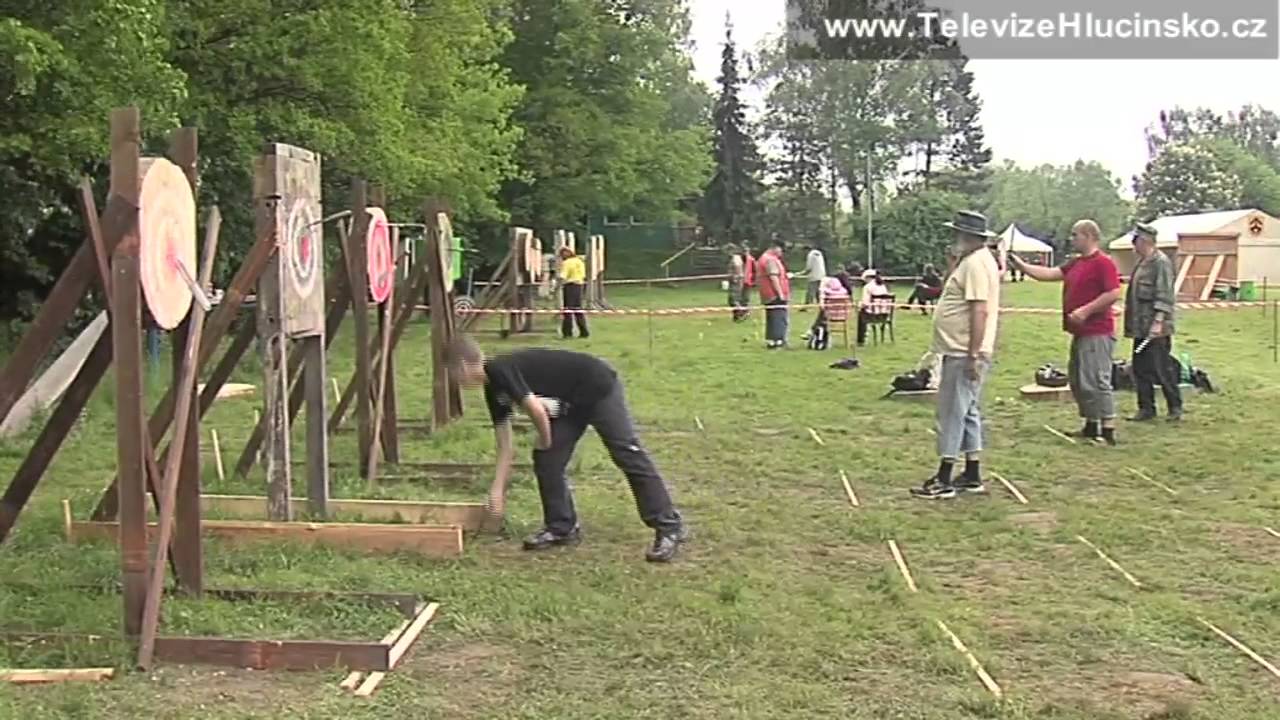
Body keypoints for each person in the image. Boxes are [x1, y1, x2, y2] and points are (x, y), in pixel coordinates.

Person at [445, 336, 688, 562]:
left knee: (625, 451)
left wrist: (544, 438)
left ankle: (669, 526)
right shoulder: (493, 390)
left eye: (452, 374)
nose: (454, 380)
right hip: (572, 402)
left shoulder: (499, 369)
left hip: (597, 386)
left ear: (463, 367)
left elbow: (536, 411)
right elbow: (505, 444)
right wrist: (496, 492)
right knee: (547, 460)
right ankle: (562, 527)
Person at [910, 211, 1001, 499]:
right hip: (965, 349)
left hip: (964, 351)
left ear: (968, 236)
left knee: (951, 412)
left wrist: (973, 354)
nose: (954, 239)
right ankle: (972, 473)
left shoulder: (975, 264)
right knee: (968, 410)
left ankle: (944, 477)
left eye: (957, 234)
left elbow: (979, 309)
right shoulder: (974, 262)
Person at [1010, 219, 1123, 445]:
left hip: (1097, 331)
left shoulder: (1103, 263)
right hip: (1080, 332)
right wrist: (1021, 265)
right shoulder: (1076, 263)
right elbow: (1049, 274)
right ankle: (1091, 425)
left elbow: (1113, 293)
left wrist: (1085, 310)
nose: (1072, 239)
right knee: (1080, 381)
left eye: (1075, 235)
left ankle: (1108, 429)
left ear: (1089, 236)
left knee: (1097, 380)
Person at [1124, 222, 1183, 422]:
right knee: (1140, 368)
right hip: (1141, 327)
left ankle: (1175, 407)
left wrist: (1158, 322)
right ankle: (1146, 408)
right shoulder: (1142, 263)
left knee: (1162, 368)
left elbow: (1165, 294)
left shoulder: (1161, 263)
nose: (1133, 246)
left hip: (1156, 328)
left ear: (1144, 241)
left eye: (1136, 241)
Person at [758, 240, 791, 348]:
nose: (782, 252)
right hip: (774, 294)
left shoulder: (764, 258)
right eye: (781, 250)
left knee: (771, 317)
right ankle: (779, 341)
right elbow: (773, 277)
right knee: (779, 317)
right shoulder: (770, 260)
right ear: (775, 248)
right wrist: (780, 293)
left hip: (767, 294)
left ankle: (771, 340)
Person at [557, 246, 589, 339]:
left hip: (570, 286)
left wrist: (556, 286)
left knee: (568, 310)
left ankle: (567, 333)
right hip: (579, 286)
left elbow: (563, 276)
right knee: (578, 310)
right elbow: (583, 274)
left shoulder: (567, 263)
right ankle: (584, 332)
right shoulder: (579, 261)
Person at [856, 269, 890, 346]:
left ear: (868, 278)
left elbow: (865, 303)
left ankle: (861, 340)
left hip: (873, 315)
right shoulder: (883, 286)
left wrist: (859, 306)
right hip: (884, 315)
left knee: (860, 314)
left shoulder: (867, 287)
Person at [802, 244, 827, 310]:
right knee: (819, 292)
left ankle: (806, 307)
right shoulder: (819, 253)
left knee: (810, 292)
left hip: (814, 276)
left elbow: (809, 268)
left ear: (806, 250)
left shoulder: (810, 255)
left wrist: (800, 273)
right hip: (822, 275)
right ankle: (821, 306)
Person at [727, 244, 748, 322]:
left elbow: (738, 268)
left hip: (736, 281)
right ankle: (737, 316)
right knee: (732, 299)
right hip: (734, 280)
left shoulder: (736, 258)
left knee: (733, 299)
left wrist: (736, 278)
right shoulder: (735, 258)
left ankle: (743, 312)